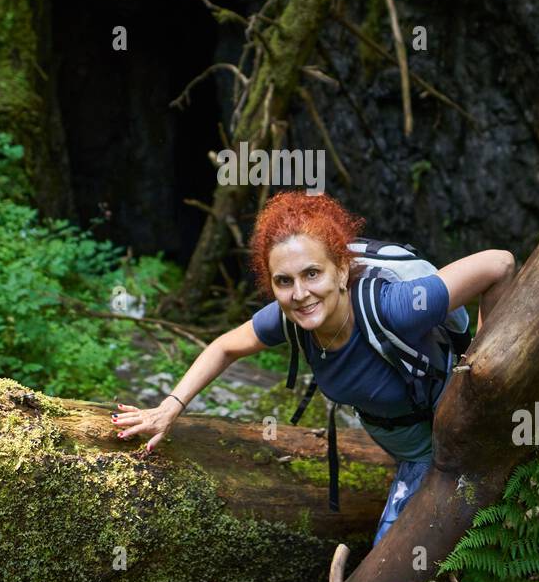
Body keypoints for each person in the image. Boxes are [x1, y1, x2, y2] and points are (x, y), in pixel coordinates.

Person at [111, 191, 516, 547]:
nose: (300, 294)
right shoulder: (290, 317)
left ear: (341, 269)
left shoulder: (395, 308)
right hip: (403, 449)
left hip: (449, 443)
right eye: (283, 281)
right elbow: (224, 347)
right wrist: (170, 407)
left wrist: (478, 370)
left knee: (388, 575)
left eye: (312, 273)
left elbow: (499, 263)